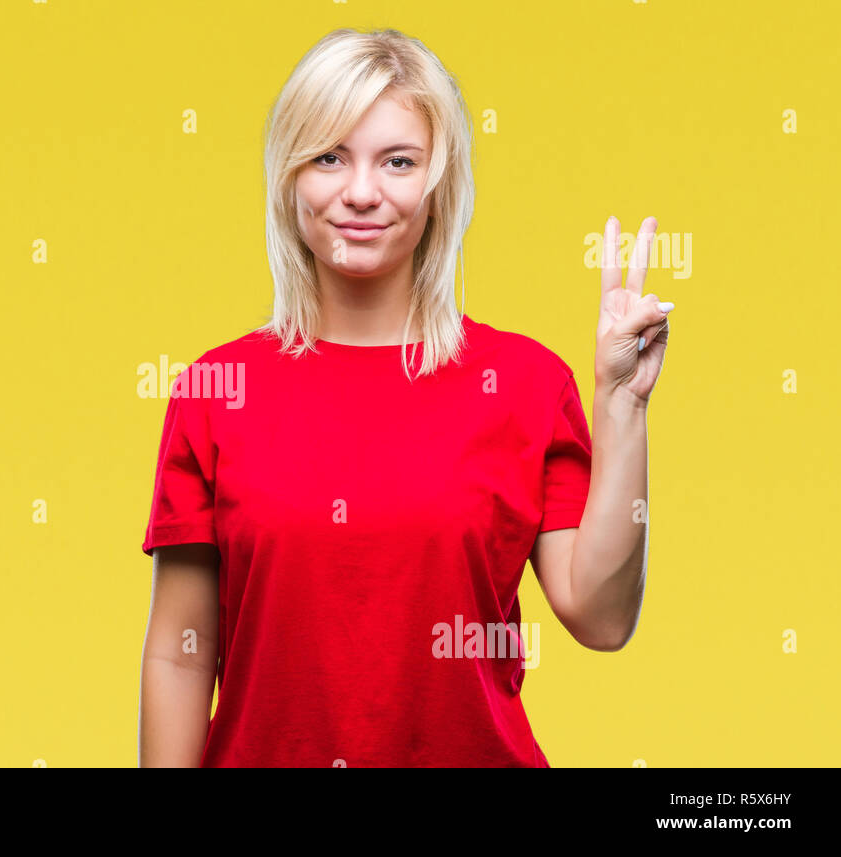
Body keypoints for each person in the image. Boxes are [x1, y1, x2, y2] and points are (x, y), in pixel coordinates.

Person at [137, 27, 672, 767]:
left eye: (398, 161)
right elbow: (180, 654)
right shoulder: (214, 392)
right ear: (289, 176)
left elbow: (602, 615)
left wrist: (623, 403)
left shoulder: (524, 383)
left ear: (439, 185)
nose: (360, 192)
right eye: (329, 156)